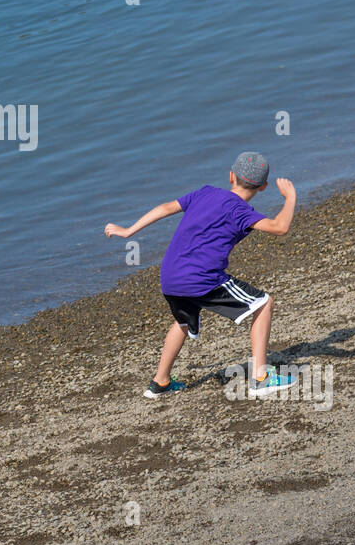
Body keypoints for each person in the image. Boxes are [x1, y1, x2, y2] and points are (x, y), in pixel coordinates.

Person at [104, 151, 298, 399]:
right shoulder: (241, 212)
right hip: (201, 278)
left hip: (170, 276)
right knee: (263, 303)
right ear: (263, 187)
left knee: (183, 321)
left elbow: (166, 207)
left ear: (231, 176)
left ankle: (160, 382)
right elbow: (280, 227)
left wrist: (129, 230)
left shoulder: (205, 192)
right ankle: (261, 377)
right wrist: (290, 198)